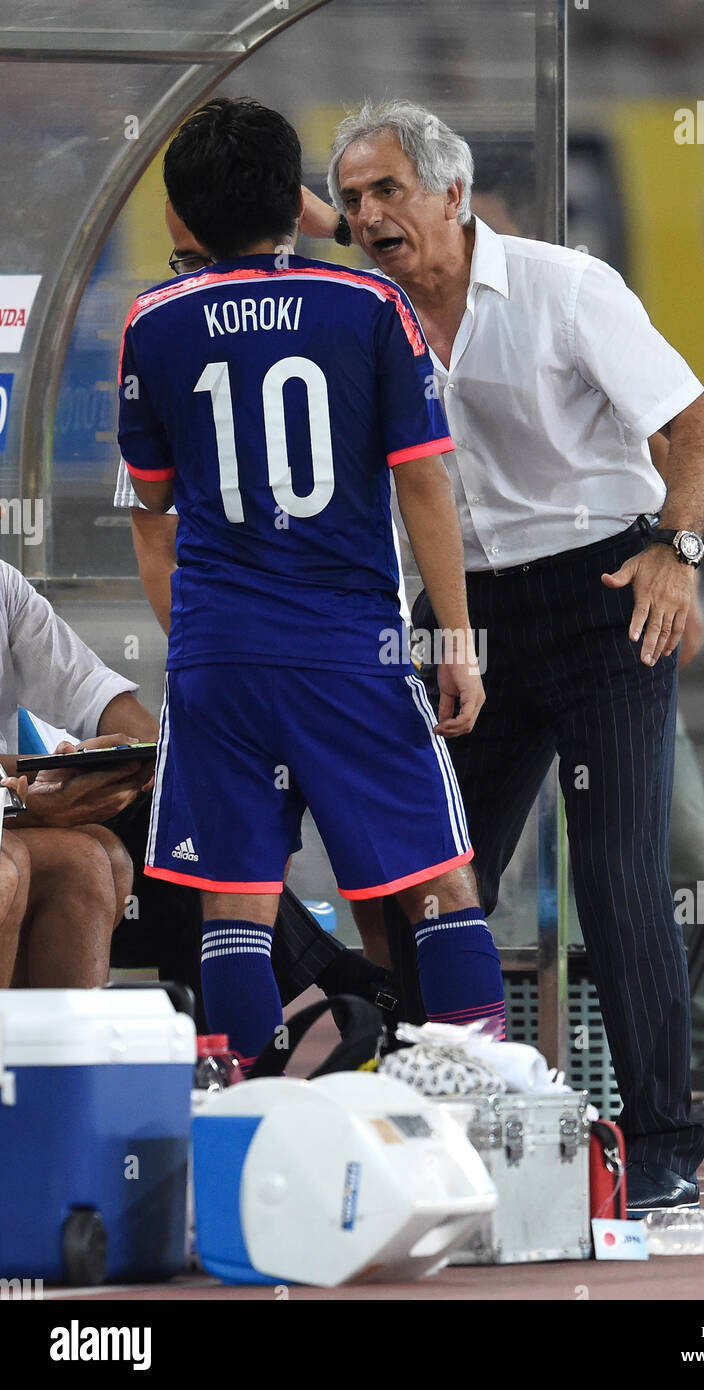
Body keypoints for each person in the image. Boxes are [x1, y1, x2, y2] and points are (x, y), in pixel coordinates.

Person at [299, 98, 704, 1215]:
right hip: (463, 611)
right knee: (432, 883)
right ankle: (409, 1121)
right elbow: (305, 224)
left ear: (452, 191)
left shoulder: (561, 286)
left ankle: (663, 1141)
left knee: (618, 874)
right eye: (351, 200)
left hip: (601, 594)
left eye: (388, 190)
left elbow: (693, 423)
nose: (366, 215)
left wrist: (675, 553)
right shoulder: (367, 302)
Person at [118, 97, 507, 1069]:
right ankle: (479, 1111)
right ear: (296, 201)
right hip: (348, 648)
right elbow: (422, 480)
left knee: (235, 901)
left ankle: (253, 1129)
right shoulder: (371, 307)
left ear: (180, 219)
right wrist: (453, 640)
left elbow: (150, 520)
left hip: (218, 655)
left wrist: (200, 643)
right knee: (436, 886)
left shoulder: (151, 322)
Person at [111, 200, 405, 1026]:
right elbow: (153, 539)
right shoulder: (178, 355)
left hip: (303, 652)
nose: (188, 276)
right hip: (303, 654)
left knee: (345, 888)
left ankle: (332, 1074)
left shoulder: (173, 335)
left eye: (189, 256)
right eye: (177, 264)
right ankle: (303, 1078)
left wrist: (211, 647)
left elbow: (150, 532)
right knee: (263, 887)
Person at [0, 559, 150, 988]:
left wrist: (169, 759)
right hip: (8, 800)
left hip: (9, 795)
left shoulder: (4, 586)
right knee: (53, 863)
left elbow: (87, 687)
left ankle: (64, 1051)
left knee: (108, 852)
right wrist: (28, 799)